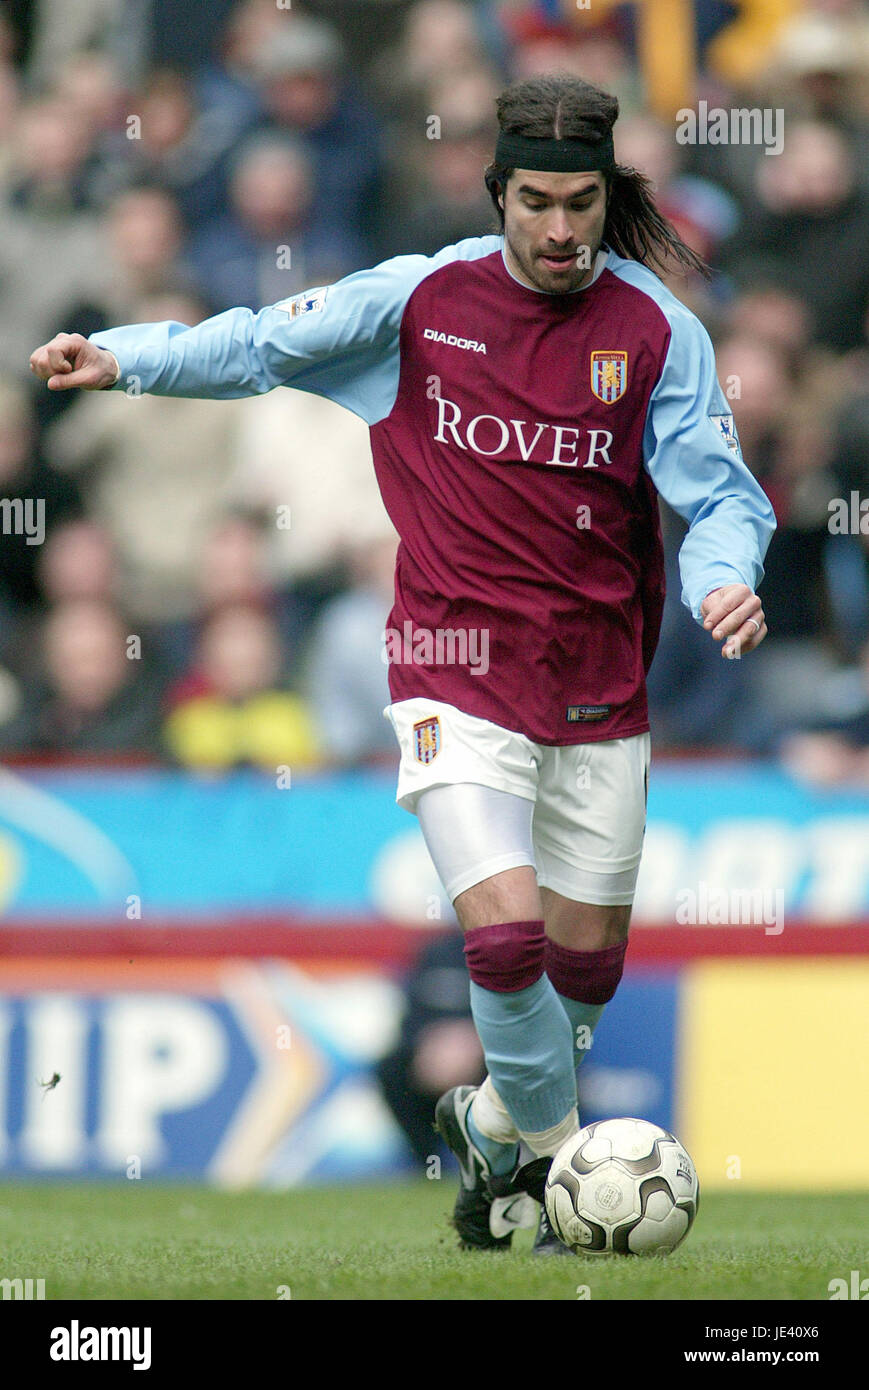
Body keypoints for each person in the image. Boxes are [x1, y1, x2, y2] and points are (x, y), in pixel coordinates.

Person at [30, 73, 775, 1255]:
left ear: (604, 195)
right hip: (450, 668)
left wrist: (719, 577)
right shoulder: (422, 301)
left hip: (595, 685)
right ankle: (544, 1174)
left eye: (581, 203)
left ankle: (489, 1123)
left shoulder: (654, 333)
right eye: (535, 201)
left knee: (583, 974)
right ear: (497, 194)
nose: (561, 229)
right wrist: (125, 356)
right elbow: (266, 344)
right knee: (503, 939)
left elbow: (717, 495)